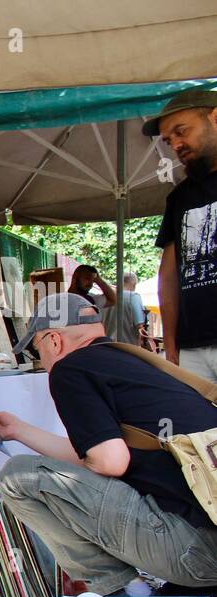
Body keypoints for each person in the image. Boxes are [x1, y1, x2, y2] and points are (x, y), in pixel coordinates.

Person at [0, 292, 217, 596]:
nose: (40, 359)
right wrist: (18, 430)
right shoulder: (134, 362)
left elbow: (109, 462)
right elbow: (103, 453)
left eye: (37, 348)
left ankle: (128, 594)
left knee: (17, 477)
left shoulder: (71, 369)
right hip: (206, 541)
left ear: (54, 340)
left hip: (195, 554)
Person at [147, 88, 217, 380]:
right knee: (198, 427)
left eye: (181, 131)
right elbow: (169, 275)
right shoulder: (179, 198)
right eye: (168, 140)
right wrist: (171, 346)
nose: (175, 144)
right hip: (191, 349)